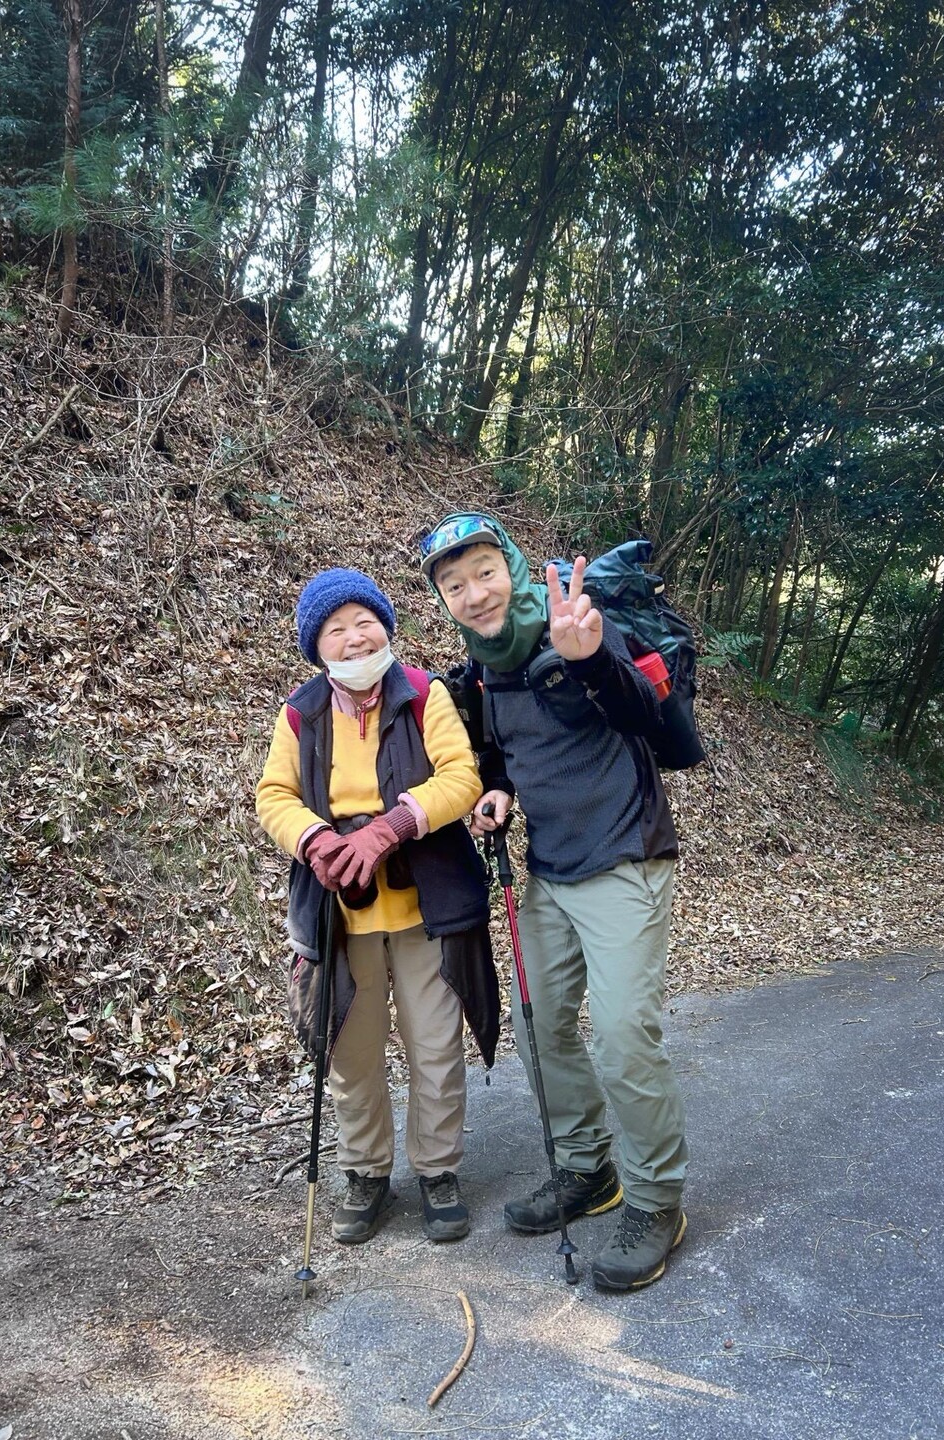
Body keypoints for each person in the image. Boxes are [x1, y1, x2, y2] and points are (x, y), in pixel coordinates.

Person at [418, 513, 688, 1290]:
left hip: (625, 858)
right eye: (455, 585)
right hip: (550, 871)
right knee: (540, 1026)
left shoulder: (574, 625)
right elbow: (504, 745)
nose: (475, 594)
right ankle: (586, 1169)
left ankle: (657, 1201)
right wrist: (499, 787)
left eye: (485, 573)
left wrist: (591, 657)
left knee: (624, 1036)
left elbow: (640, 714)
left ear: (511, 566)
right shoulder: (484, 667)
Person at [256, 568, 499, 1246]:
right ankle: (366, 1172)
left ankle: (438, 1171)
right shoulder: (301, 713)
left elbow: (461, 776)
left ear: (386, 628)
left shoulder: (424, 693)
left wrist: (389, 828)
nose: (355, 637)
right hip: (340, 914)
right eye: (336, 629)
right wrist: (316, 841)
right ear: (317, 646)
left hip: (427, 907)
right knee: (350, 1051)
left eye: (365, 622)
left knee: (435, 1045)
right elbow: (274, 795)